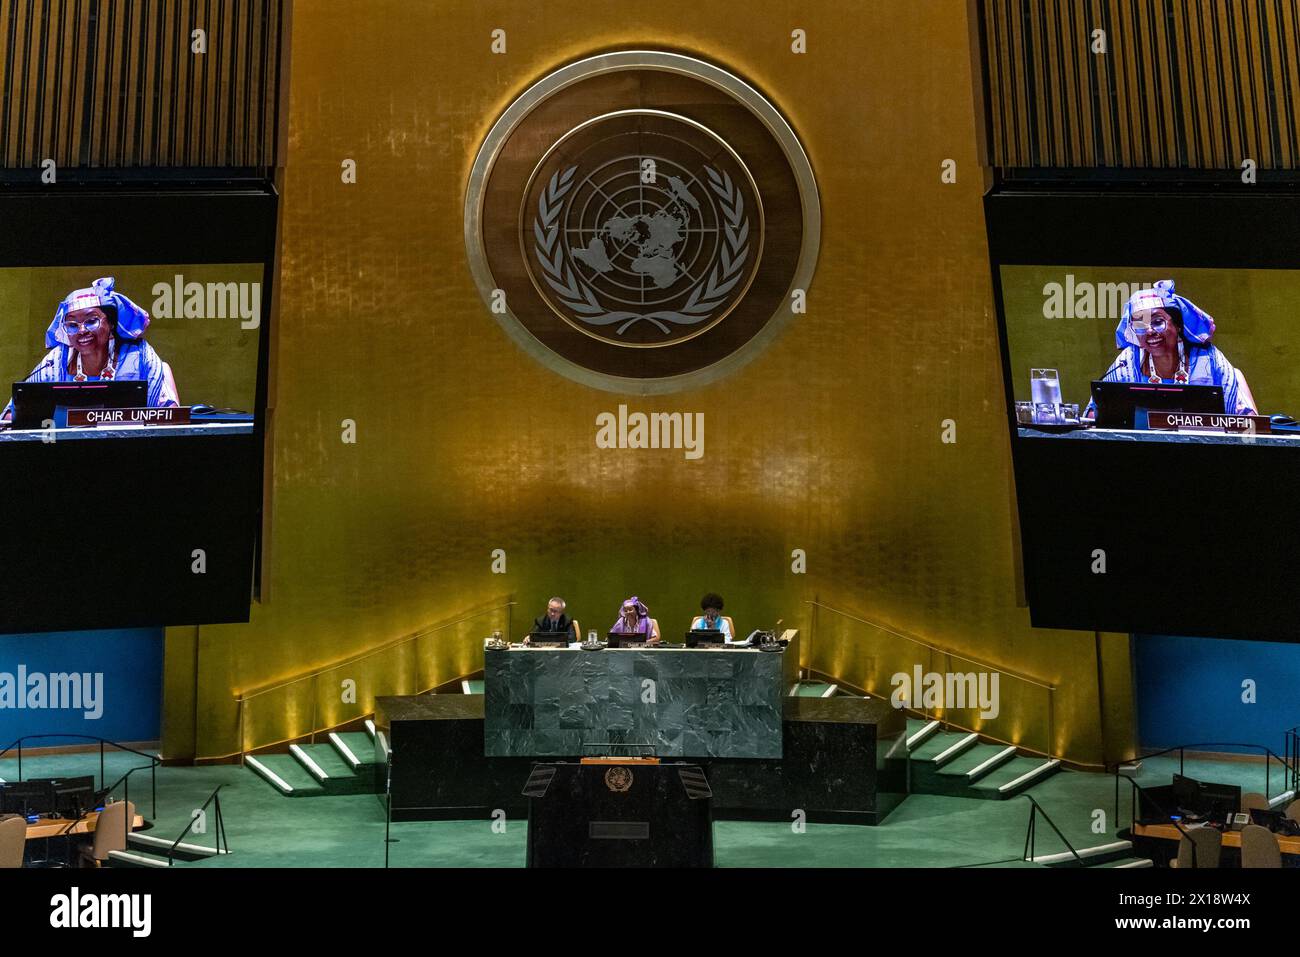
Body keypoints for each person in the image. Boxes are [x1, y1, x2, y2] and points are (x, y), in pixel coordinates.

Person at [2, 277, 179, 421]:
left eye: (91, 321)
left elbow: (169, 416)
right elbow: (12, 415)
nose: (81, 331)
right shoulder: (56, 361)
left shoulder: (139, 355)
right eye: (72, 325)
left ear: (110, 323)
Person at [1084, 279, 1257, 420]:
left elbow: (1245, 417)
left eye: (1157, 321)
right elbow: (1094, 413)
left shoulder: (1207, 357)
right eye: (1140, 324)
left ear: (1178, 325)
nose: (1150, 331)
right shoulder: (1128, 360)